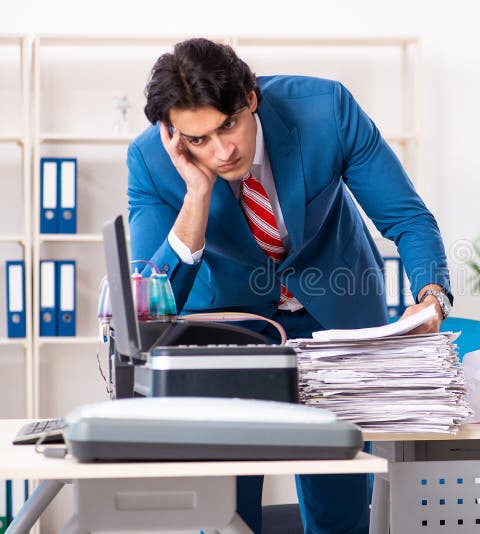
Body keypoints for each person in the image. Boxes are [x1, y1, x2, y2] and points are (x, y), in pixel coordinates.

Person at [126, 38, 453, 533]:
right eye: (198, 140)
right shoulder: (150, 162)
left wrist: (432, 297)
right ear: (173, 134)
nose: (222, 151)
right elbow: (150, 303)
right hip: (233, 331)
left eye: (228, 125)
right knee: (226, 507)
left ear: (251, 97)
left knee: (339, 502)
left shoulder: (325, 110)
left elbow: (406, 217)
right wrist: (197, 195)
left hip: (338, 320)